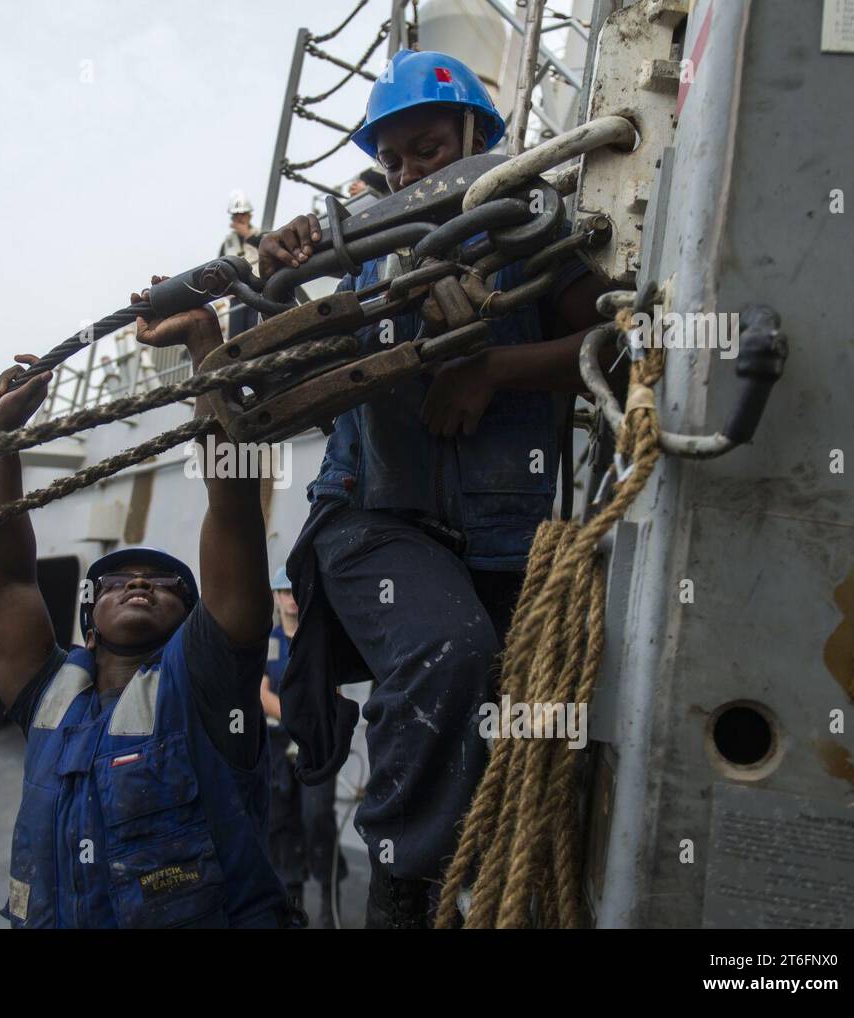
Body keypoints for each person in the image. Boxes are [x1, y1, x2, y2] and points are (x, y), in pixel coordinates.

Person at [259, 49, 613, 928]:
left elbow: (619, 344)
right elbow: (284, 369)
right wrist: (281, 267)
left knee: (513, 719)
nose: (412, 171)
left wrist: (493, 369)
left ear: (474, 138)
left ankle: (493, 888)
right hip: (371, 518)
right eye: (397, 157)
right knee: (449, 651)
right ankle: (404, 890)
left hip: (499, 540)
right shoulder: (361, 249)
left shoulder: (530, 223)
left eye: (429, 148)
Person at [0, 321, 290, 928]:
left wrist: (206, 350)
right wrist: (3, 437)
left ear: (192, 621)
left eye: (164, 582)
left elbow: (231, 509)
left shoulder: (206, 682)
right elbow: (8, 577)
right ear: (89, 625)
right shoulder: (47, 695)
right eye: (118, 581)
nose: (140, 583)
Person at [261, 565, 346, 928]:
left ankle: (329, 900)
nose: (290, 599)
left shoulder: (319, 640)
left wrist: (311, 723)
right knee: (283, 823)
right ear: (276, 598)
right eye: (283, 592)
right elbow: (261, 693)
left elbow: (335, 693)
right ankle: (293, 904)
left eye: (294, 591)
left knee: (318, 819)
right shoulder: (268, 642)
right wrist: (296, 715)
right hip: (279, 748)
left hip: (315, 745)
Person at [219, 189, 261, 338]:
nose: (240, 219)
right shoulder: (227, 244)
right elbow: (218, 269)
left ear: (249, 215)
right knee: (237, 337)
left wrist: (246, 235)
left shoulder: (261, 237)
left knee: (255, 334)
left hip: (257, 293)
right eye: (237, 216)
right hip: (237, 296)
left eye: (243, 214)